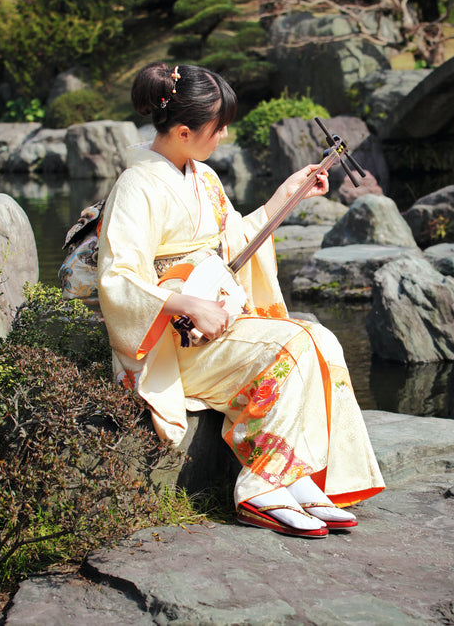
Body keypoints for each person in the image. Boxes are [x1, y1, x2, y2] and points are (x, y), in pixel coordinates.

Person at [97, 62, 384, 538]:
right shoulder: (136, 186)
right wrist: (187, 305)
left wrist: (287, 196)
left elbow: (237, 244)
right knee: (289, 347)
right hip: (171, 341)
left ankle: (297, 474)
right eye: (218, 127)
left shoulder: (203, 177)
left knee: (320, 338)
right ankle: (261, 489)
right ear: (185, 131)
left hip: (210, 324)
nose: (224, 135)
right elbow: (119, 277)